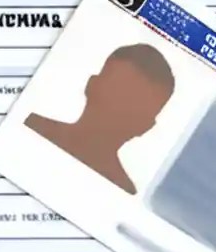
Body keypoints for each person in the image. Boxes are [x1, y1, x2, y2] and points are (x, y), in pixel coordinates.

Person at [25, 43, 176, 195]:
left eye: (133, 106)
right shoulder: (29, 126)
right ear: (92, 85)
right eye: (118, 92)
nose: (119, 110)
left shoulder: (31, 126)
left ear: (145, 127)